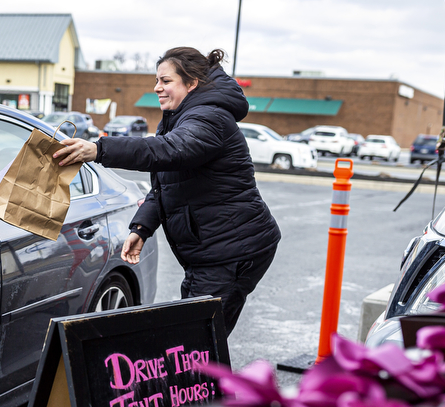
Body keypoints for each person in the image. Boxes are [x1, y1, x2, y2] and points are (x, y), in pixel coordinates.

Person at [54, 47, 280, 334]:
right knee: (196, 339)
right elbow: (166, 184)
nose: (157, 87)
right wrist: (142, 227)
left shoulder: (210, 118)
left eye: (166, 80)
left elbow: (170, 150)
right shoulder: (181, 116)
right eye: (156, 80)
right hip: (212, 250)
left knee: (197, 340)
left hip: (232, 251)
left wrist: (99, 149)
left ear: (191, 83)